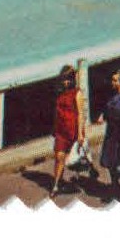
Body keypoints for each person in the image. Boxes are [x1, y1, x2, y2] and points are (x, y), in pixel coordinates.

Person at [48, 64, 87, 197]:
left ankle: (72, 179)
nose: (66, 82)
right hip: (60, 129)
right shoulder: (60, 93)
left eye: (68, 79)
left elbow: (81, 113)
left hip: (72, 129)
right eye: (64, 79)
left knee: (71, 158)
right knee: (59, 157)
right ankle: (56, 184)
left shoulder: (77, 93)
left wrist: (81, 133)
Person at [96, 71, 120, 195]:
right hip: (112, 132)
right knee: (110, 160)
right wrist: (104, 115)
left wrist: (107, 116)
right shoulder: (116, 94)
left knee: (118, 160)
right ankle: (115, 185)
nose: (112, 83)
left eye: (115, 80)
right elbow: (110, 108)